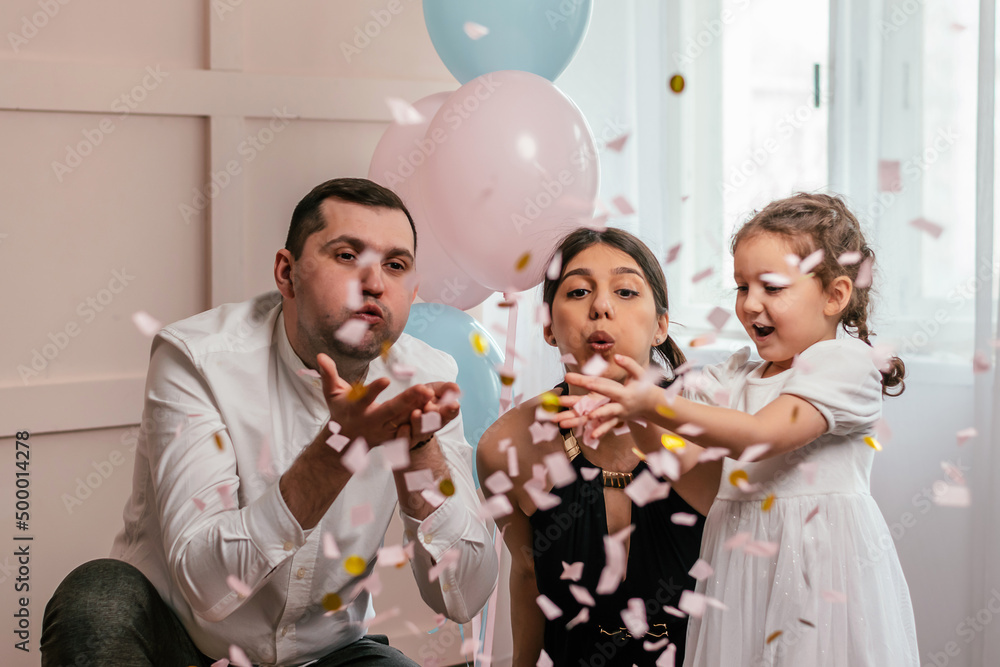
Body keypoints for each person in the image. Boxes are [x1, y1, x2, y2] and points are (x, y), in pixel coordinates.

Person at [41, 178, 499, 667]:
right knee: (96, 596)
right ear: (287, 272)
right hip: (184, 642)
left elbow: (462, 598)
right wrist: (335, 453)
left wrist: (420, 448)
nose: (374, 283)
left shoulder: (427, 377)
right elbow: (207, 584)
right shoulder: (197, 360)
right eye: (347, 256)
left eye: (395, 265)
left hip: (329, 654)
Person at [556, 193, 920, 666]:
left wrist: (656, 404)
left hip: (816, 573)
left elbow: (760, 436)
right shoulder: (737, 377)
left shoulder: (844, 364)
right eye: (741, 287)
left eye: (771, 288)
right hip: (740, 573)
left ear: (835, 295)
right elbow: (688, 471)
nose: (750, 304)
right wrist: (639, 420)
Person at [477, 228, 721, 667]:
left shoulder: (711, 429)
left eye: (626, 291)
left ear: (661, 326)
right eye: (578, 291)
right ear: (549, 327)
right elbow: (529, 574)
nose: (601, 306)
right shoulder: (506, 446)